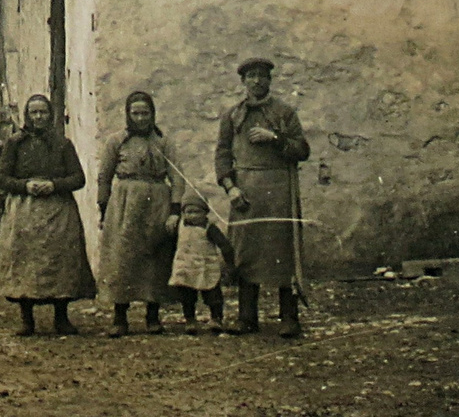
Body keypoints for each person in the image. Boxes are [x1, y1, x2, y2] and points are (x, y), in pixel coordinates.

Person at [214, 57, 311, 338]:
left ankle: (289, 318)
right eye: (251, 76)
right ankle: (247, 318)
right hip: (245, 191)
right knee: (246, 252)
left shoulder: (284, 112)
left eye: (262, 76)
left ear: (269, 80)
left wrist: (275, 139)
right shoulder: (232, 115)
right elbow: (221, 155)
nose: (257, 81)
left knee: (283, 252)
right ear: (243, 82)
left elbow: (302, 150)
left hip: (279, 189)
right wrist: (230, 188)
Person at [0, 94, 97, 336]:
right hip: (24, 211)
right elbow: (1, 178)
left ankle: (61, 317)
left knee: (60, 262)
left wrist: (54, 185)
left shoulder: (63, 144)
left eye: (43, 112)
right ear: (27, 116)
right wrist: (25, 186)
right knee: (24, 262)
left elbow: (78, 178)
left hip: (58, 211)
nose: (38, 117)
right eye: (33, 113)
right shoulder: (15, 144)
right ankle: (26, 319)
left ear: (50, 116)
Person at [96, 90, 183, 337]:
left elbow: (177, 179)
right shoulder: (117, 141)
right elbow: (105, 176)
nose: (141, 118)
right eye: (135, 113)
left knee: (155, 258)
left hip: (157, 202)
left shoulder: (163, 142)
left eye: (145, 113)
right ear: (128, 114)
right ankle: (120, 317)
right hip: (125, 203)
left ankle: (152, 316)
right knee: (122, 258)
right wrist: (104, 208)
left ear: (152, 114)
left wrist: (175, 211)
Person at [168, 199, 233, 335]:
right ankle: (190, 320)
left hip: (206, 266)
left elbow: (224, 245)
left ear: (205, 213)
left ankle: (216, 318)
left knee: (213, 295)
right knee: (187, 296)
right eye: (188, 212)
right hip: (186, 267)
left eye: (197, 212)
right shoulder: (180, 226)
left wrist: (230, 263)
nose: (192, 215)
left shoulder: (210, 228)